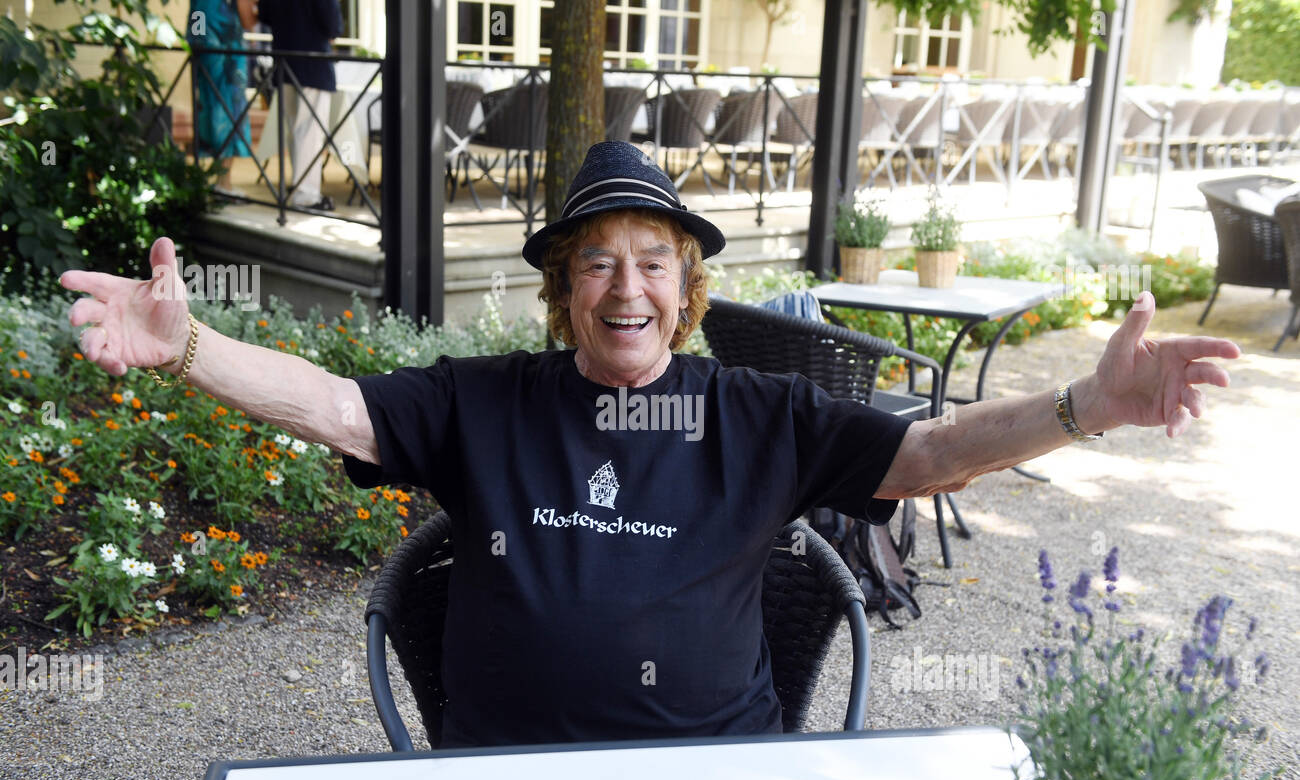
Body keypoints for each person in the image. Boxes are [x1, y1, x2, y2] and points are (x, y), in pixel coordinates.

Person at [60, 141, 1240, 748]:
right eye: (595, 261)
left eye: (653, 259)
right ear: (564, 291)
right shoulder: (485, 402)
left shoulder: (761, 414)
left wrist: (1090, 406)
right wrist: (188, 347)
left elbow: (928, 455)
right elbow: (332, 404)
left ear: (685, 291)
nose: (625, 285)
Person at [255, 0, 344, 210]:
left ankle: (301, 190)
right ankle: (306, 194)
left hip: (285, 62)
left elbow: (265, 14)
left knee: (297, 131)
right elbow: (333, 25)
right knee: (309, 132)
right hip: (312, 64)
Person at [189, 0, 258, 193]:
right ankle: (223, 182)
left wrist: (200, 42)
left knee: (211, 108)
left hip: (205, 48)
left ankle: (214, 179)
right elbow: (248, 21)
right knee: (229, 112)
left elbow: (197, 23)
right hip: (226, 51)